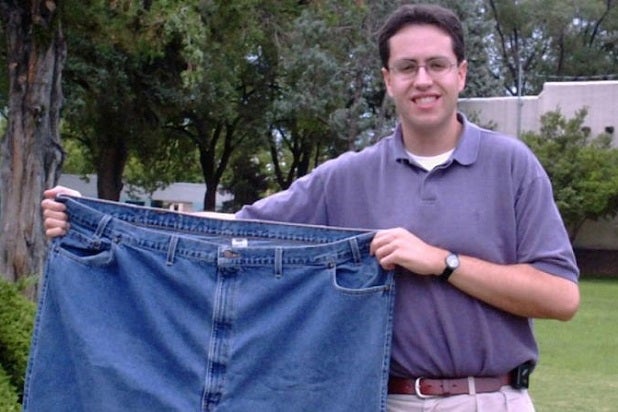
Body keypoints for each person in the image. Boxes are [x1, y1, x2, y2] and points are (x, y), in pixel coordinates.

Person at [41, 4, 579, 411]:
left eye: (437, 65)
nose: (423, 80)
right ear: (387, 80)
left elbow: (561, 297)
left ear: (460, 73)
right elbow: (235, 231)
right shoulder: (348, 176)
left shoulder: (512, 165)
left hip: (489, 400)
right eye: (407, 67)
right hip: (380, 400)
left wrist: (442, 262)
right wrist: (97, 220)